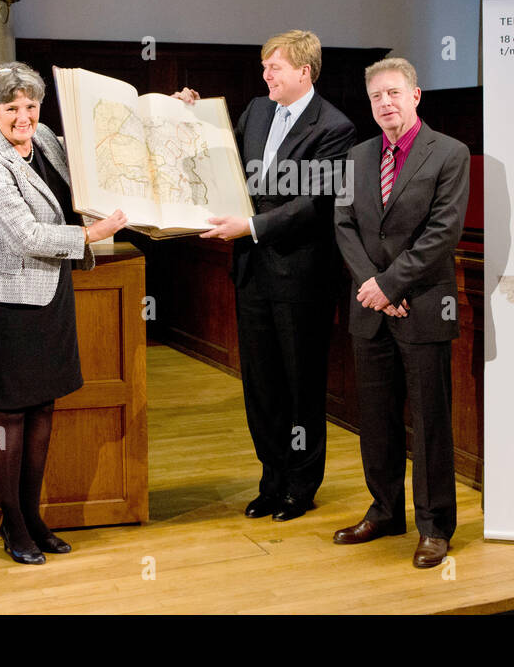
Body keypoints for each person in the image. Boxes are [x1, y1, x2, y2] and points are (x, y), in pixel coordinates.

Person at [175, 30, 356, 521]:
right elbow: (222, 161)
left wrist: (251, 226)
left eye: (274, 67)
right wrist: (190, 115)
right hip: (253, 273)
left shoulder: (335, 127)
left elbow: (314, 205)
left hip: (302, 278)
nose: (265, 76)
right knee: (261, 386)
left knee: (301, 386)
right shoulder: (256, 110)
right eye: (264, 67)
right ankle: (271, 480)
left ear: (305, 71)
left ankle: (302, 485)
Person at [0, 62, 127, 564]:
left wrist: (175, 108)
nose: (23, 115)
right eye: (11, 107)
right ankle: (11, 525)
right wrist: (90, 235)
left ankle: (33, 517)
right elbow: (26, 237)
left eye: (30, 105)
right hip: (6, 301)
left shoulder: (49, 141)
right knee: (9, 413)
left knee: (43, 407)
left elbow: (111, 139)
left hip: (49, 294)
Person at [331, 57, 469, 568]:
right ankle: (385, 510)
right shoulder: (357, 156)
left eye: (393, 93)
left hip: (424, 307)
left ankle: (435, 525)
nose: (384, 103)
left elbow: (443, 232)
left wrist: (390, 285)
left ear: (415, 95)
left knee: (429, 420)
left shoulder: (449, 153)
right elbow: (343, 226)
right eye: (375, 97)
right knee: (377, 418)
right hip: (370, 307)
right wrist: (374, 288)